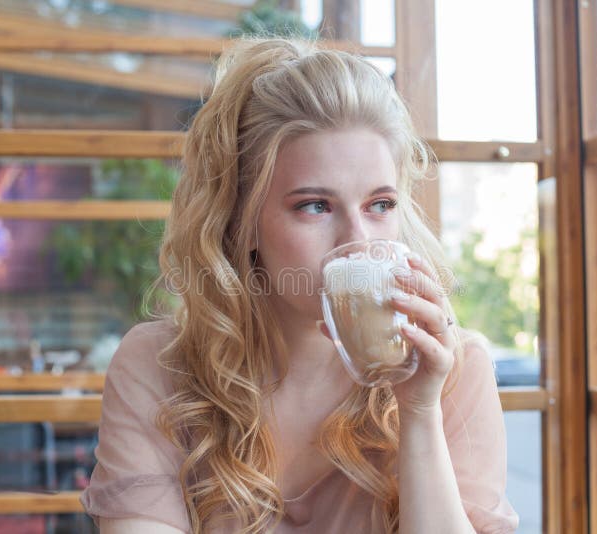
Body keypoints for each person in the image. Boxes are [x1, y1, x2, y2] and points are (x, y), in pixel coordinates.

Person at [80, 37, 519, 533]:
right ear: (242, 222)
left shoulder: (453, 372)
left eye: (380, 205)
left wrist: (418, 410)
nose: (359, 242)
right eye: (315, 206)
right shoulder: (160, 366)